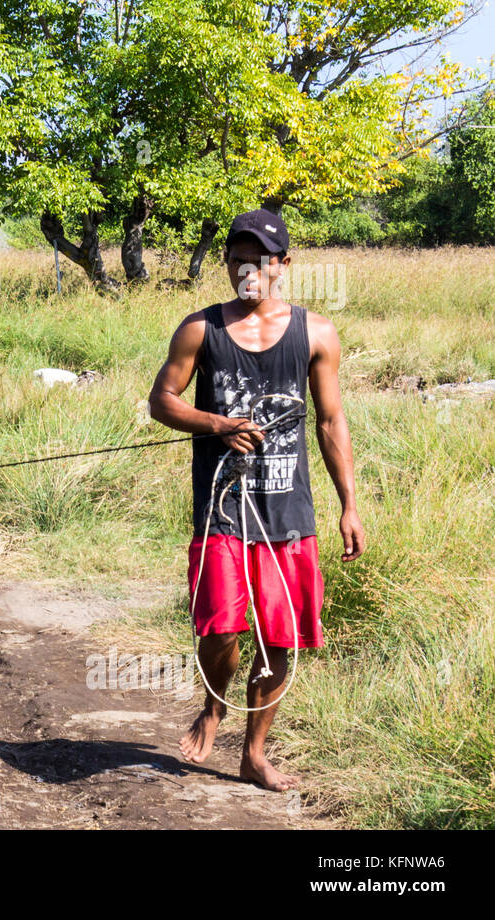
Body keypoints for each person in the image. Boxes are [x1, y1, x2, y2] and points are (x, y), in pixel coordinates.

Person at [147, 208, 366, 792]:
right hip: (222, 509)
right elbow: (162, 400)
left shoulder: (316, 333)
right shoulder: (201, 329)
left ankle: (254, 752)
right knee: (221, 630)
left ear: (283, 265)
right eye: (238, 259)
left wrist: (348, 504)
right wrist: (217, 423)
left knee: (279, 638)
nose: (248, 270)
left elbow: (330, 419)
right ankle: (214, 707)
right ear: (227, 263)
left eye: (260, 260)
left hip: (288, 514)